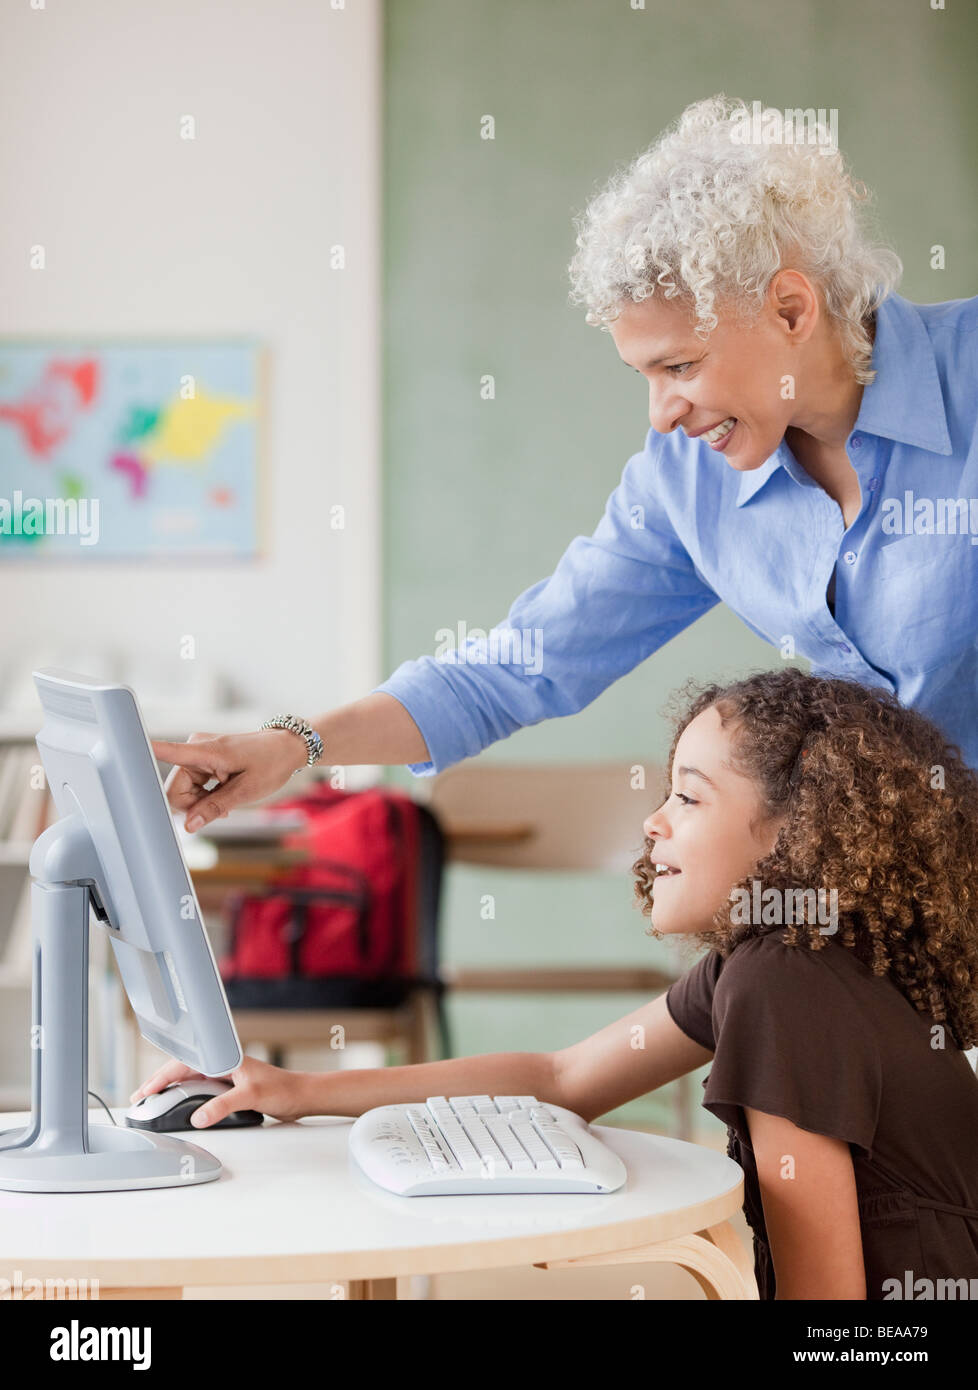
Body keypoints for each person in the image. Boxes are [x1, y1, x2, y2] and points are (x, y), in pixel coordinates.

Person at [151, 94, 978, 830]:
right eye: (644, 375)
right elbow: (519, 664)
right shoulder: (687, 483)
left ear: (791, 309)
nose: (663, 414)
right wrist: (298, 745)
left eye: (681, 366)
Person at [135, 668, 978, 1301]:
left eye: (688, 797)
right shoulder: (771, 968)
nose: (655, 821)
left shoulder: (784, 985)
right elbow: (559, 1080)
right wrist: (296, 1088)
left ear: (800, 831)